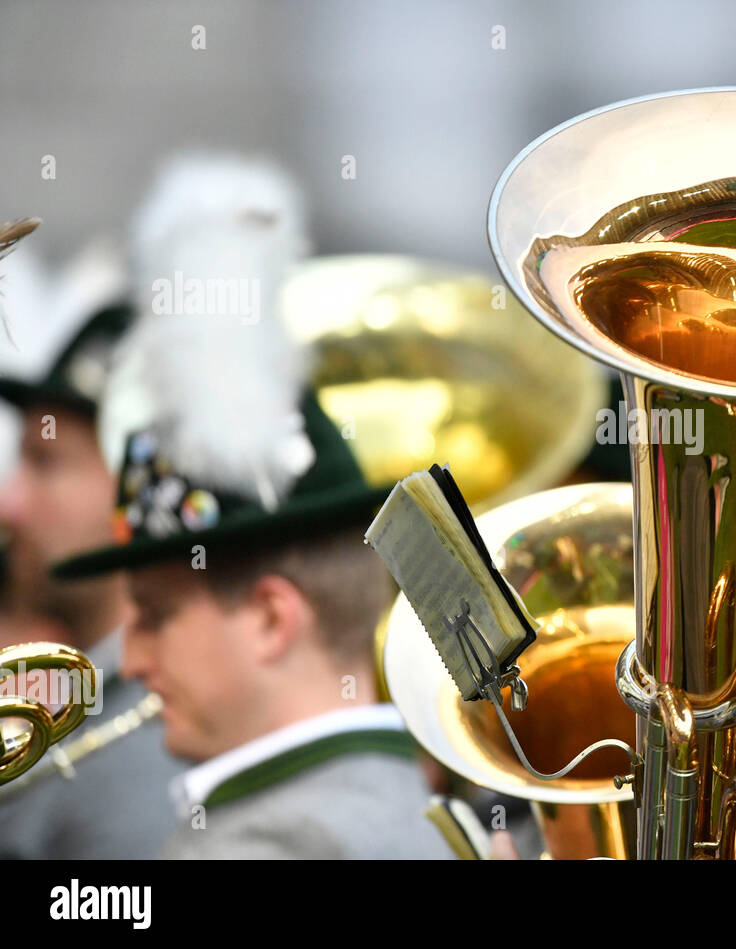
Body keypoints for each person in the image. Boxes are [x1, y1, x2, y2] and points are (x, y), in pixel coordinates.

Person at [51, 153, 460, 858]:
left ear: (273, 617)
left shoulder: (262, 845)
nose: (134, 658)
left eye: (153, 615)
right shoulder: (421, 816)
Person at [0, 302, 185, 859]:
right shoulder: (91, 696)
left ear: (140, 488)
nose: (10, 502)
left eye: (46, 461)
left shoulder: (161, 741)